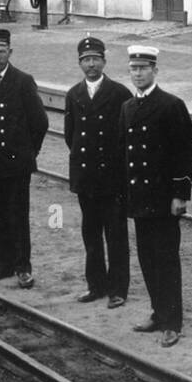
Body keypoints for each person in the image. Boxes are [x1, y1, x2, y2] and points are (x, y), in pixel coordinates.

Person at [119, 44, 192, 347]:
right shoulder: (126, 108)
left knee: (166, 259)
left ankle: (172, 321)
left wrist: (180, 194)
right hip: (139, 198)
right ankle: (157, 312)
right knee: (147, 258)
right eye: (134, 69)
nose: (138, 73)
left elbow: (184, 153)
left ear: (155, 71)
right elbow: (123, 153)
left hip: (163, 199)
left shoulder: (171, 105)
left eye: (143, 68)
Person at [0, 27, 49, 289]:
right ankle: (3, 264)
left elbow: (40, 122)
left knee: (18, 214)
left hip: (17, 162)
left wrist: (28, 152)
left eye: (3, 51)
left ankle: (23, 267)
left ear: (10, 52)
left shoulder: (23, 81)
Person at [63, 36, 132, 309]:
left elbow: (126, 137)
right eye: (86, 60)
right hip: (86, 177)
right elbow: (71, 135)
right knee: (90, 233)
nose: (91, 64)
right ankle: (96, 285)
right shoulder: (74, 94)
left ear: (104, 61)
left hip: (112, 178)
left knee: (116, 235)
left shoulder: (119, 93)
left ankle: (118, 288)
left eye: (96, 59)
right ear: (80, 63)